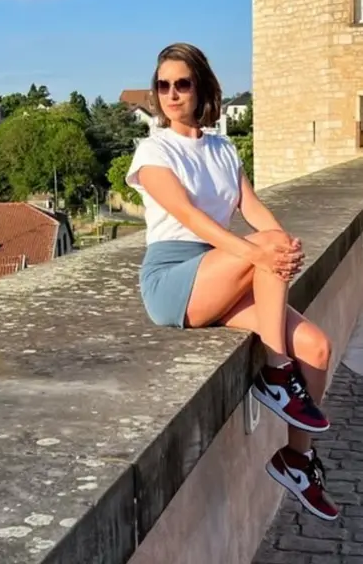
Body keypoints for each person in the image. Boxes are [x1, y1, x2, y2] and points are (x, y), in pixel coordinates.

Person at [125, 42, 338, 521]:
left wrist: (283, 244)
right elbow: (190, 218)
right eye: (163, 85)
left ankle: (297, 458)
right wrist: (259, 251)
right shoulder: (153, 150)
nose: (172, 94)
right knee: (264, 250)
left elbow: (251, 207)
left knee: (318, 347)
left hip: (221, 271)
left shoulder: (222, 148)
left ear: (201, 88)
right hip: (174, 279)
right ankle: (277, 373)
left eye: (182, 84)